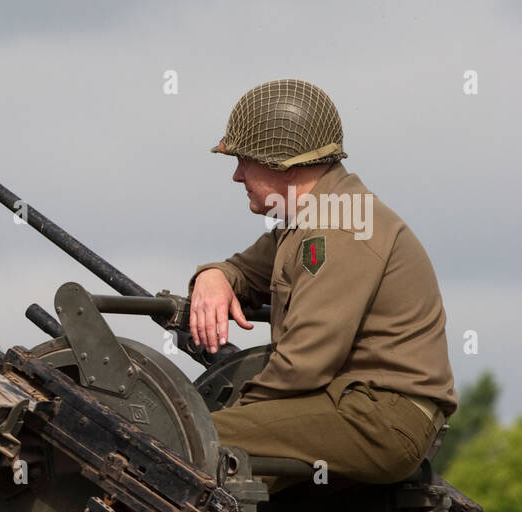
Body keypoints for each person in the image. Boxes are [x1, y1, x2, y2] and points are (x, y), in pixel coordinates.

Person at [189, 78, 457, 486]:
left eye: (245, 160)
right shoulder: (313, 218)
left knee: (186, 438)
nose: (238, 175)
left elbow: (304, 365)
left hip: (377, 417)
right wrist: (215, 276)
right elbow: (245, 269)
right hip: (357, 408)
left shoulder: (338, 227)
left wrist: (238, 414)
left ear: (286, 163)